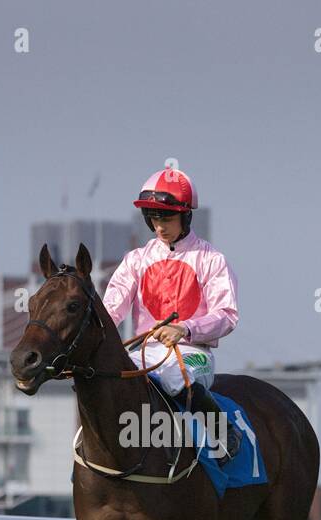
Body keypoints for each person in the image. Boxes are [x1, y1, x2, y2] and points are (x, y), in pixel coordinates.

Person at [102, 166, 242, 461]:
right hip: (145, 353)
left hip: (193, 353)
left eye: (167, 217)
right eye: (153, 218)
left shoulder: (211, 260)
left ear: (186, 216)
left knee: (174, 377)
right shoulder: (135, 261)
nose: (159, 226)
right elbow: (110, 311)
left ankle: (222, 429)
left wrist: (186, 328)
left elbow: (227, 315)